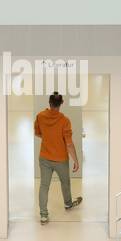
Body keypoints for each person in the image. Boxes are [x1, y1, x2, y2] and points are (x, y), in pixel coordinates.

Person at [34, 91, 82, 225]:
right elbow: (69, 144)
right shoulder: (65, 121)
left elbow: (37, 133)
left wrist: (49, 137)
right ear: (61, 103)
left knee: (44, 186)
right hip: (61, 159)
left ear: (49, 103)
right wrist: (76, 161)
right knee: (65, 182)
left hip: (44, 157)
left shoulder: (40, 116)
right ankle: (68, 204)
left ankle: (43, 216)